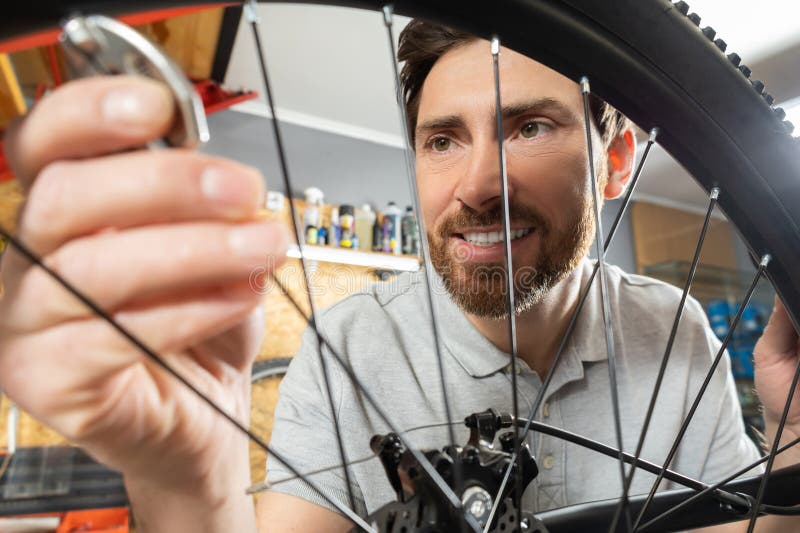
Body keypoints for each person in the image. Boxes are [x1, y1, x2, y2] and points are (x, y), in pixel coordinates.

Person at [0, 17, 798, 533]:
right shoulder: (346, 340)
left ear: (616, 159)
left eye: (529, 125)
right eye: (442, 139)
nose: (478, 185)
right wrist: (185, 472)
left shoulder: (676, 323)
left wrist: (794, 431)